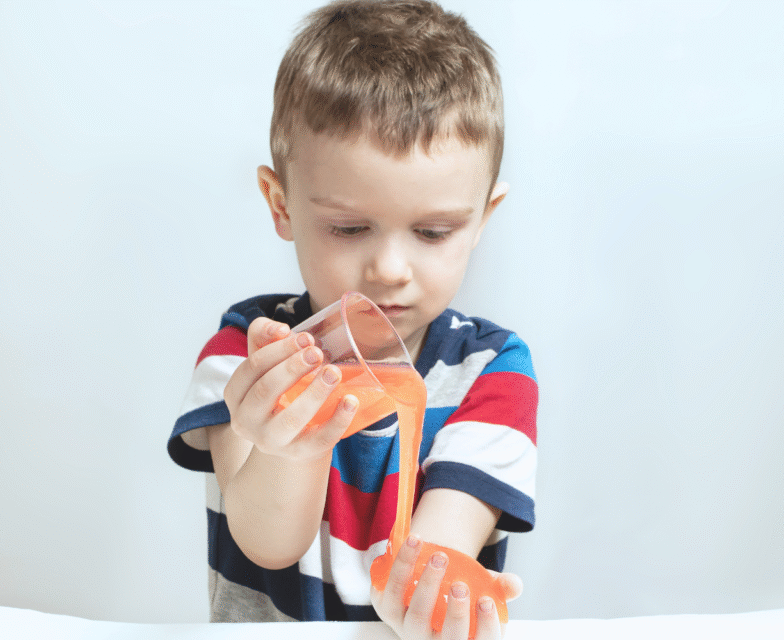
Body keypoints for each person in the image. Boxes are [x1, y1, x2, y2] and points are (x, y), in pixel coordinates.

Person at [167, 1, 537, 637]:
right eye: (348, 227)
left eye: (433, 231)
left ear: (482, 219)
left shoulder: (491, 372)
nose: (389, 269)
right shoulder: (249, 355)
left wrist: (427, 583)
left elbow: (440, 544)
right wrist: (296, 445)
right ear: (280, 205)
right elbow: (266, 541)